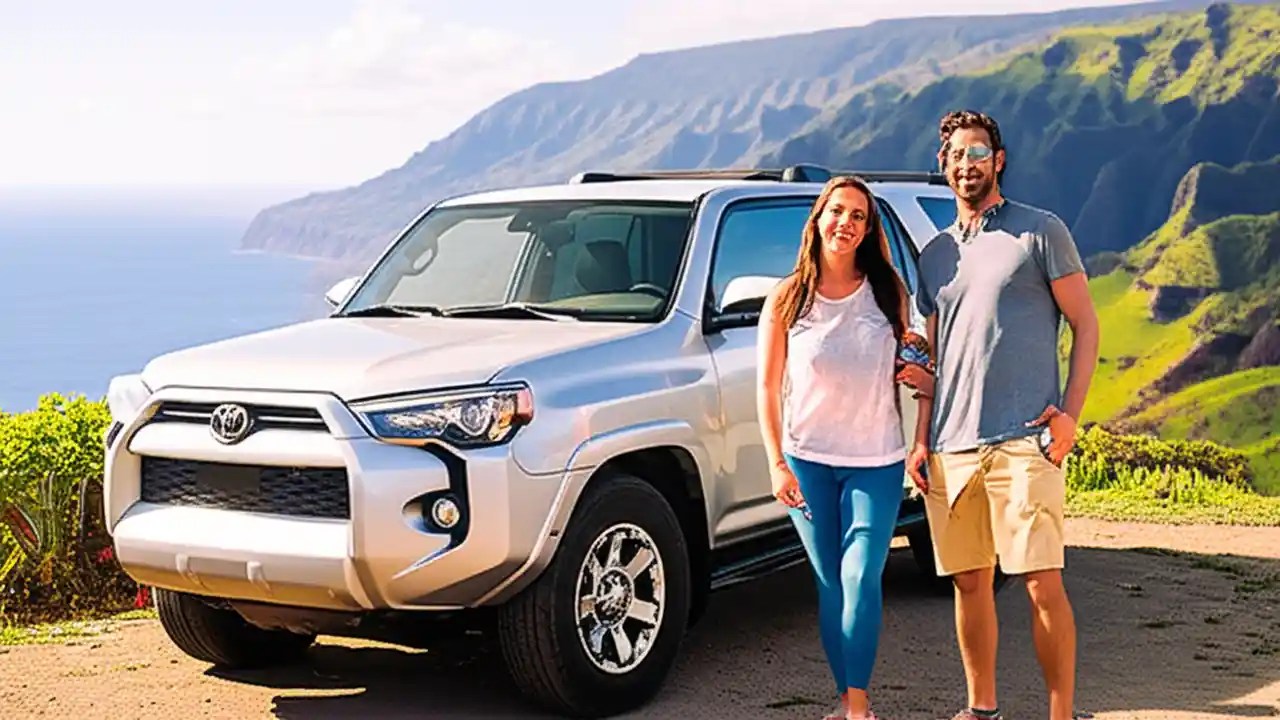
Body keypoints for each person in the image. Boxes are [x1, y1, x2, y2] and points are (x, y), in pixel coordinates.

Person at [905, 109, 1100, 720]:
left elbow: (1087, 325)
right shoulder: (935, 254)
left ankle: (1060, 713)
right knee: (969, 582)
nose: (968, 163)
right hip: (951, 444)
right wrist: (919, 439)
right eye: (957, 154)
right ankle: (981, 707)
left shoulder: (1040, 231)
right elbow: (930, 355)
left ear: (999, 160)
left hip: (1025, 440)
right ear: (944, 166)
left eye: (979, 152)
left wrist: (1069, 416)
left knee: (1042, 581)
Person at [757, 175, 932, 720]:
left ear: (868, 228)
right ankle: (847, 699)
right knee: (831, 581)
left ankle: (857, 708)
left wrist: (921, 426)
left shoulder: (888, 293)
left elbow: (920, 368)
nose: (846, 224)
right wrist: (776, 462)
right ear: (818, 220)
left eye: (858, 216)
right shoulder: (788, 298)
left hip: (875, 461)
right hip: (807, 461)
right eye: (837, 212)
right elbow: (766, 386)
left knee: (861, 575)